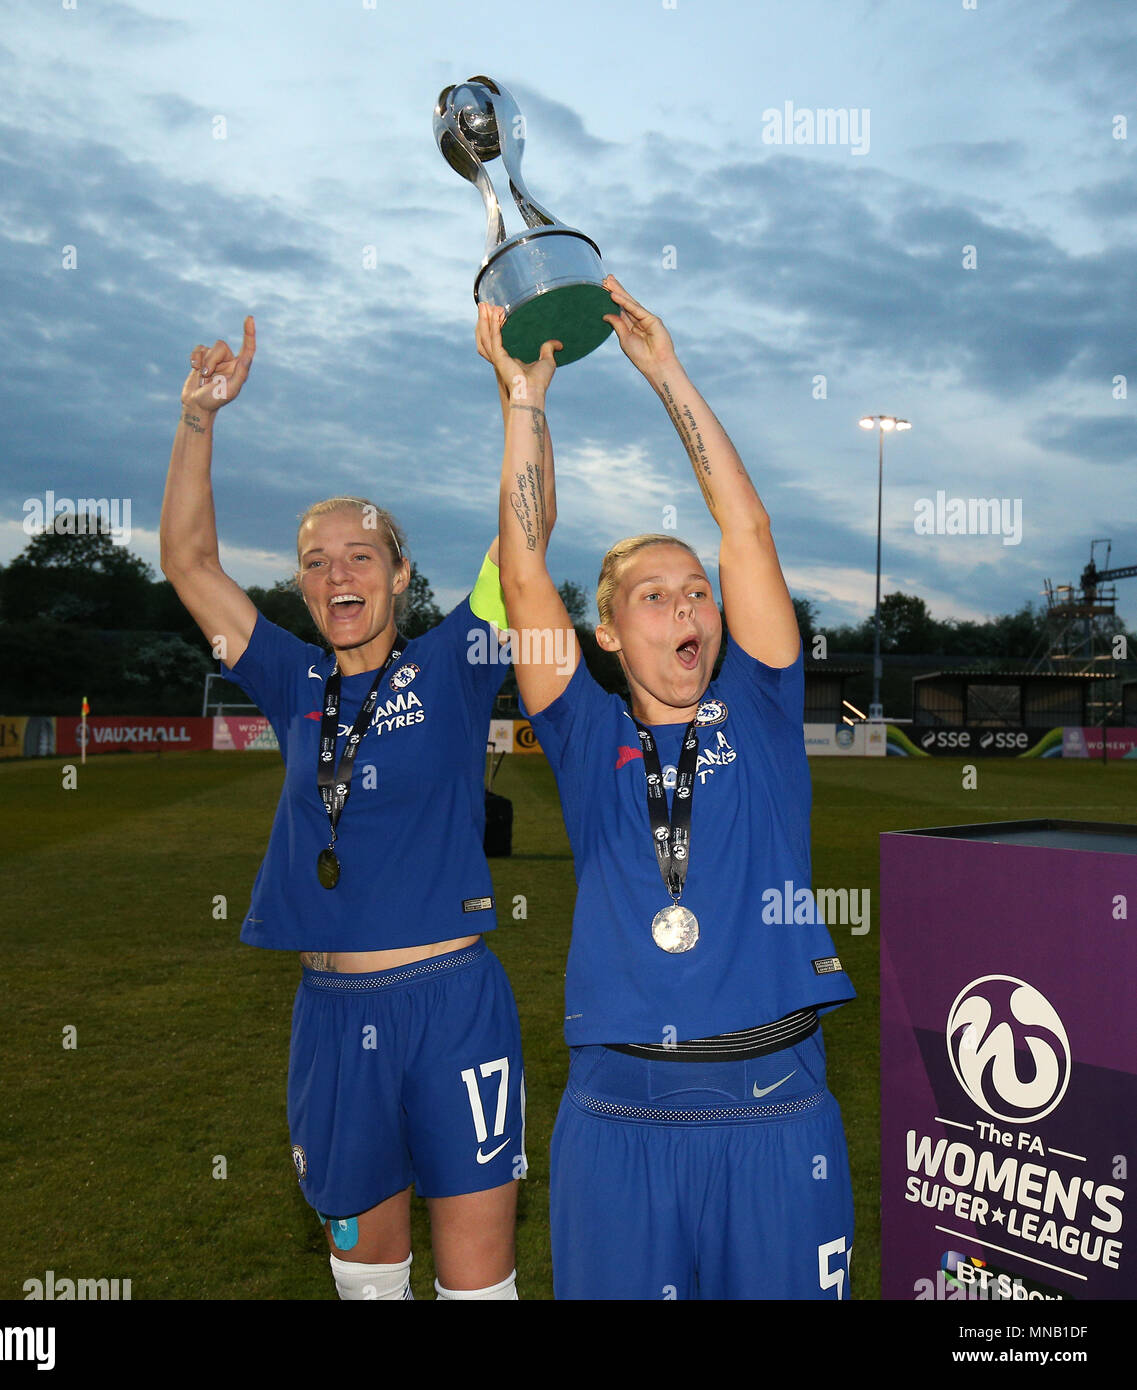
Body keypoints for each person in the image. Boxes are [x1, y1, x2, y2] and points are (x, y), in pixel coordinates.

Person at [478, 278, 857, 1300]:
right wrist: (523, 400)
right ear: (608, 634)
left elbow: (750, 533)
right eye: (655, 594)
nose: (688, 603)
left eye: (697, 590)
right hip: (617, 1111)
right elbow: (523, 577)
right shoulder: (584, 730)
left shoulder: (764, 709)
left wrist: (666, 372)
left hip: (776, 1105)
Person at [161, 315, 540, 1300]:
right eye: (318, 559)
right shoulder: (292, 680)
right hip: (331, 1016)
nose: (339, 571)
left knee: (474, 1287)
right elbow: (191, 567)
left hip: (451, 1008)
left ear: (401, 577)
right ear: (300, 584)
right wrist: (198, 418)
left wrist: (520, 396)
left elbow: (526, 535)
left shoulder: (456, 664)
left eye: (362, 554)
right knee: (366, 1283)